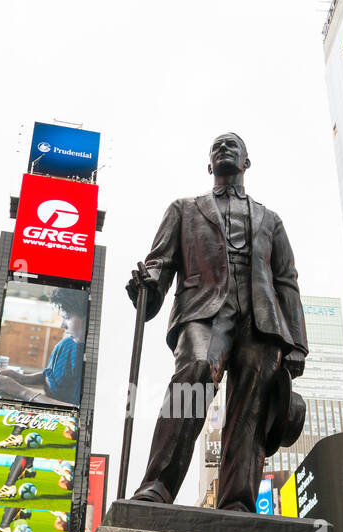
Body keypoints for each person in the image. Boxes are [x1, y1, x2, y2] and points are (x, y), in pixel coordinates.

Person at [126, 132, 308, 512]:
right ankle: (157, 485)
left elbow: (286, 280)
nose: (223, 149)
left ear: (247, 162)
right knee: (193, 374)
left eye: (232, 145)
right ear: (210, 165)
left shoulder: (271, 220)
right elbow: (160, 264)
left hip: (262, 321)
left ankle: (238, 500)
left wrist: (297, 344)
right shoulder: (184, 208)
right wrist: (148, 287)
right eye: (216, 147)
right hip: (204, 311)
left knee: (251, 406)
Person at [0, 289, 87, 406]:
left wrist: (21, 391)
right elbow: (50, 376)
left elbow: (75, 409)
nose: (62, 325)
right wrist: (21, 378)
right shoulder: (65, 344)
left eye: (66, 317)